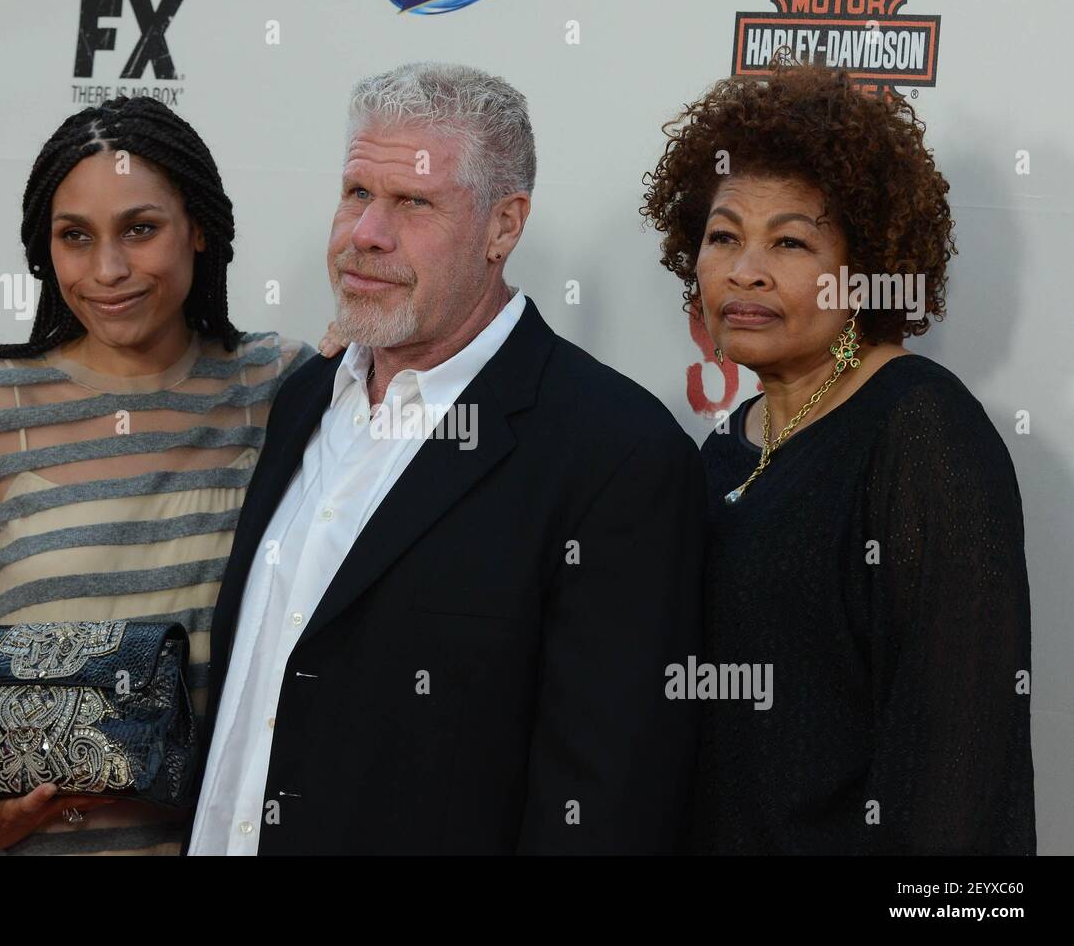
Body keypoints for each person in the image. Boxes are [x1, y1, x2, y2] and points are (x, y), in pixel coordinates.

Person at [182, 62, 705, 855]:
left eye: (413, 203)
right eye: (357, 193)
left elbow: (606, 807)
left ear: (504, 226)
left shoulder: (616, 454)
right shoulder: (302, 401)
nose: (366, 233)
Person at [0, 96, 313, 856]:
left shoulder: (280, 388)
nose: (108, 269)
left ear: (201, 228)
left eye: (140, 229)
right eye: (75, 237)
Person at [641, 60, 1036, 854]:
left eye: (789, 241)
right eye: (723, 237)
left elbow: (959, 757)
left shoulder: (923, 429)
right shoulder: (724, 444)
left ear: (864, 274)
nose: (745, 269)